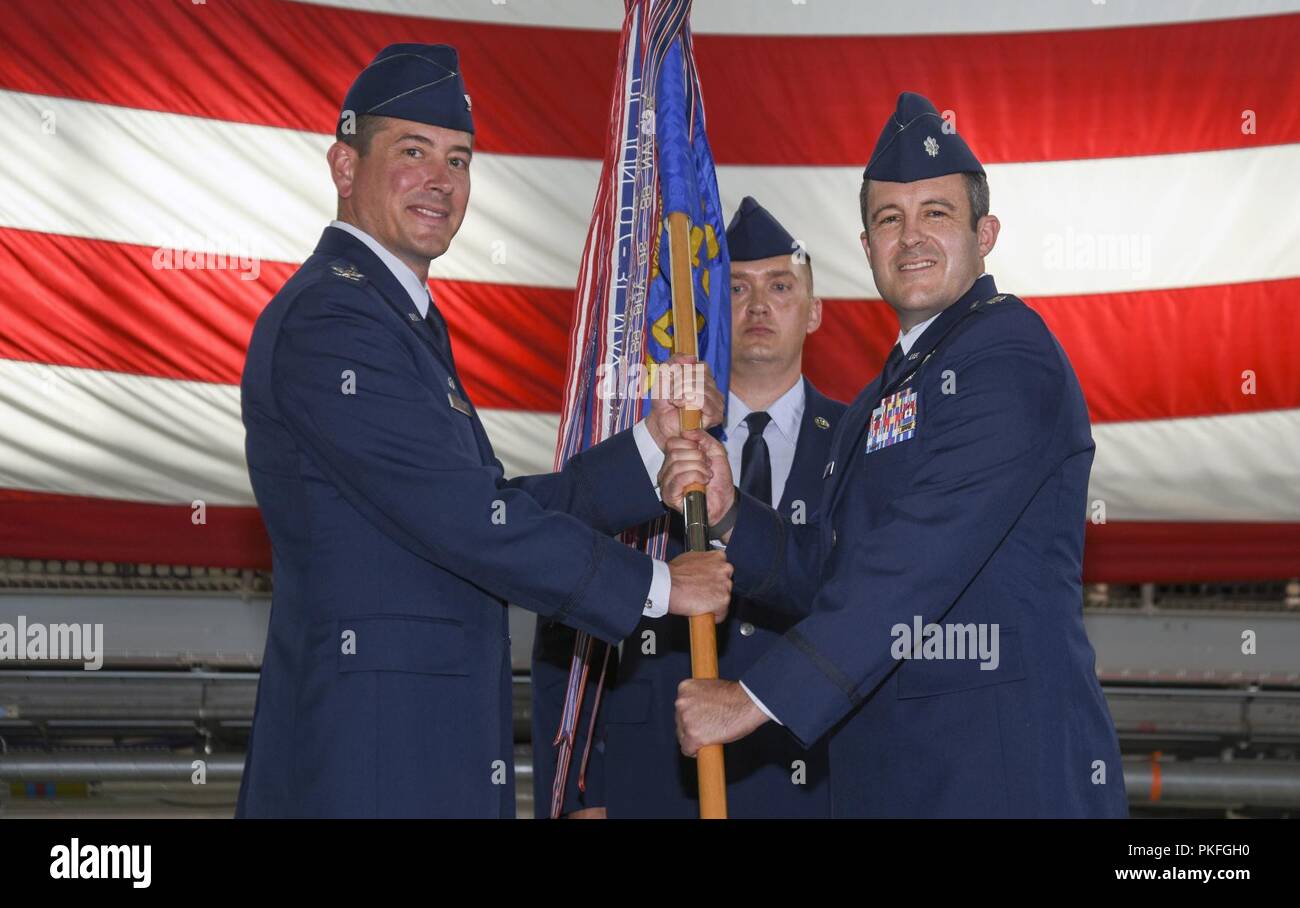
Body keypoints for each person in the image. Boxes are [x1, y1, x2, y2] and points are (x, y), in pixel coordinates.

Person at [237, 43, 732, 818]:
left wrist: (647, 447)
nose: (441, 180)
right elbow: (468, 519)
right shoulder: (334, 321)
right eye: (412, 152)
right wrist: (660, 587)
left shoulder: (393, 317)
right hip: (372, 765)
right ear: (343, 165)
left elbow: (481, 502)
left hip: (413, 753)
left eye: (459, 160)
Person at [664, 93, 1128, 818]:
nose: (911, 237)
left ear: (986, 233)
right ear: (868, 247)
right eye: (890, 219)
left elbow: (915, 561)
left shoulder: (1009, 357)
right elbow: (832, 568)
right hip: (891, 780)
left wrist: (755, 698)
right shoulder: (876, 401)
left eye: (936, 213)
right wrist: (729, 517)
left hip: (997, 780)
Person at [532, 198, 845, 817]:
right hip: (652, 777)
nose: (758, 305)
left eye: (781, 286)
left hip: (809, 780)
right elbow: (566, 602)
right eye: (735, 286)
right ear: (706, 312)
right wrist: (573, 789)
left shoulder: (855, 447)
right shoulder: (650, 442)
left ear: (813, 313)